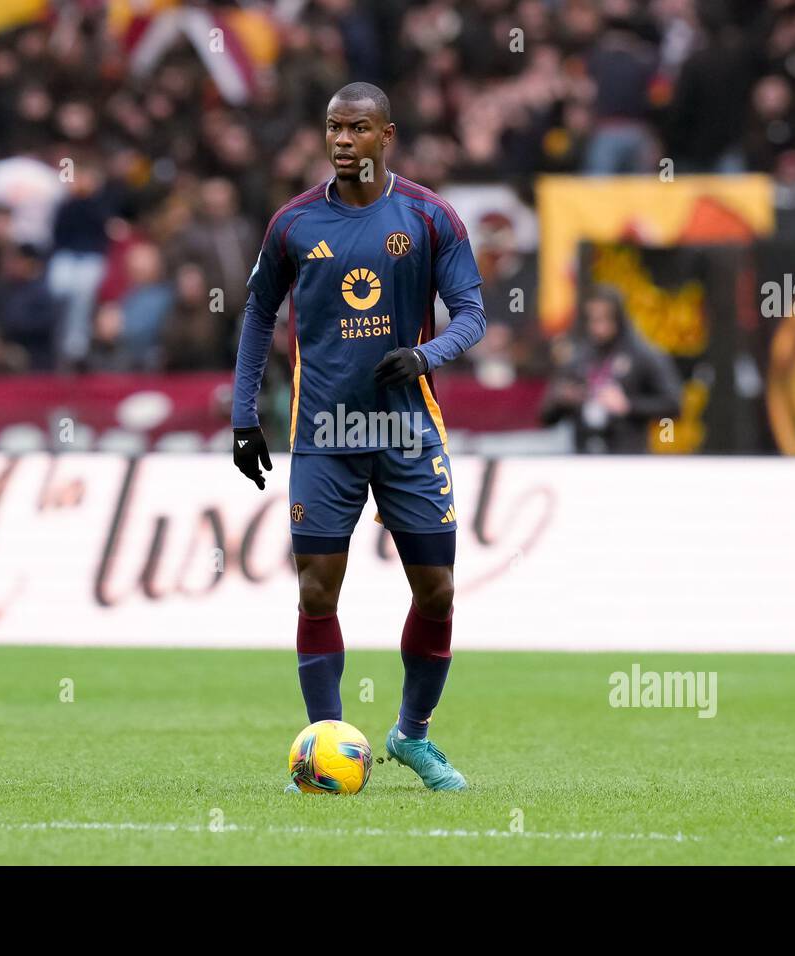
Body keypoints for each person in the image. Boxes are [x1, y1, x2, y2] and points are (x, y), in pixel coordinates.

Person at [230, 82, 486, 792]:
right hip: (324, 433)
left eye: (358, 128)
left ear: (386, 136)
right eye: (333, 128)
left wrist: (425, 356)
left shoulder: (430, 217)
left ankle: (411, 736)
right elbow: (257, 316)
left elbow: (471, 313)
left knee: (436, 592)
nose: (343, 140)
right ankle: (322, 748)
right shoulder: (292, 224)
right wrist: (243, 414)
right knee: (317, 592)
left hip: (407, 431)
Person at [541, 285, 682, 453]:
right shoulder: (578, 357)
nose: (598, 327)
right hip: (582, 456)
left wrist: (629, 405)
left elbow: (673, 405)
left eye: (604, 319)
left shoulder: (642, 355)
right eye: (592, 319)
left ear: (618, 318)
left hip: (627, 456)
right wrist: (563, 400)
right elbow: (546, 416)